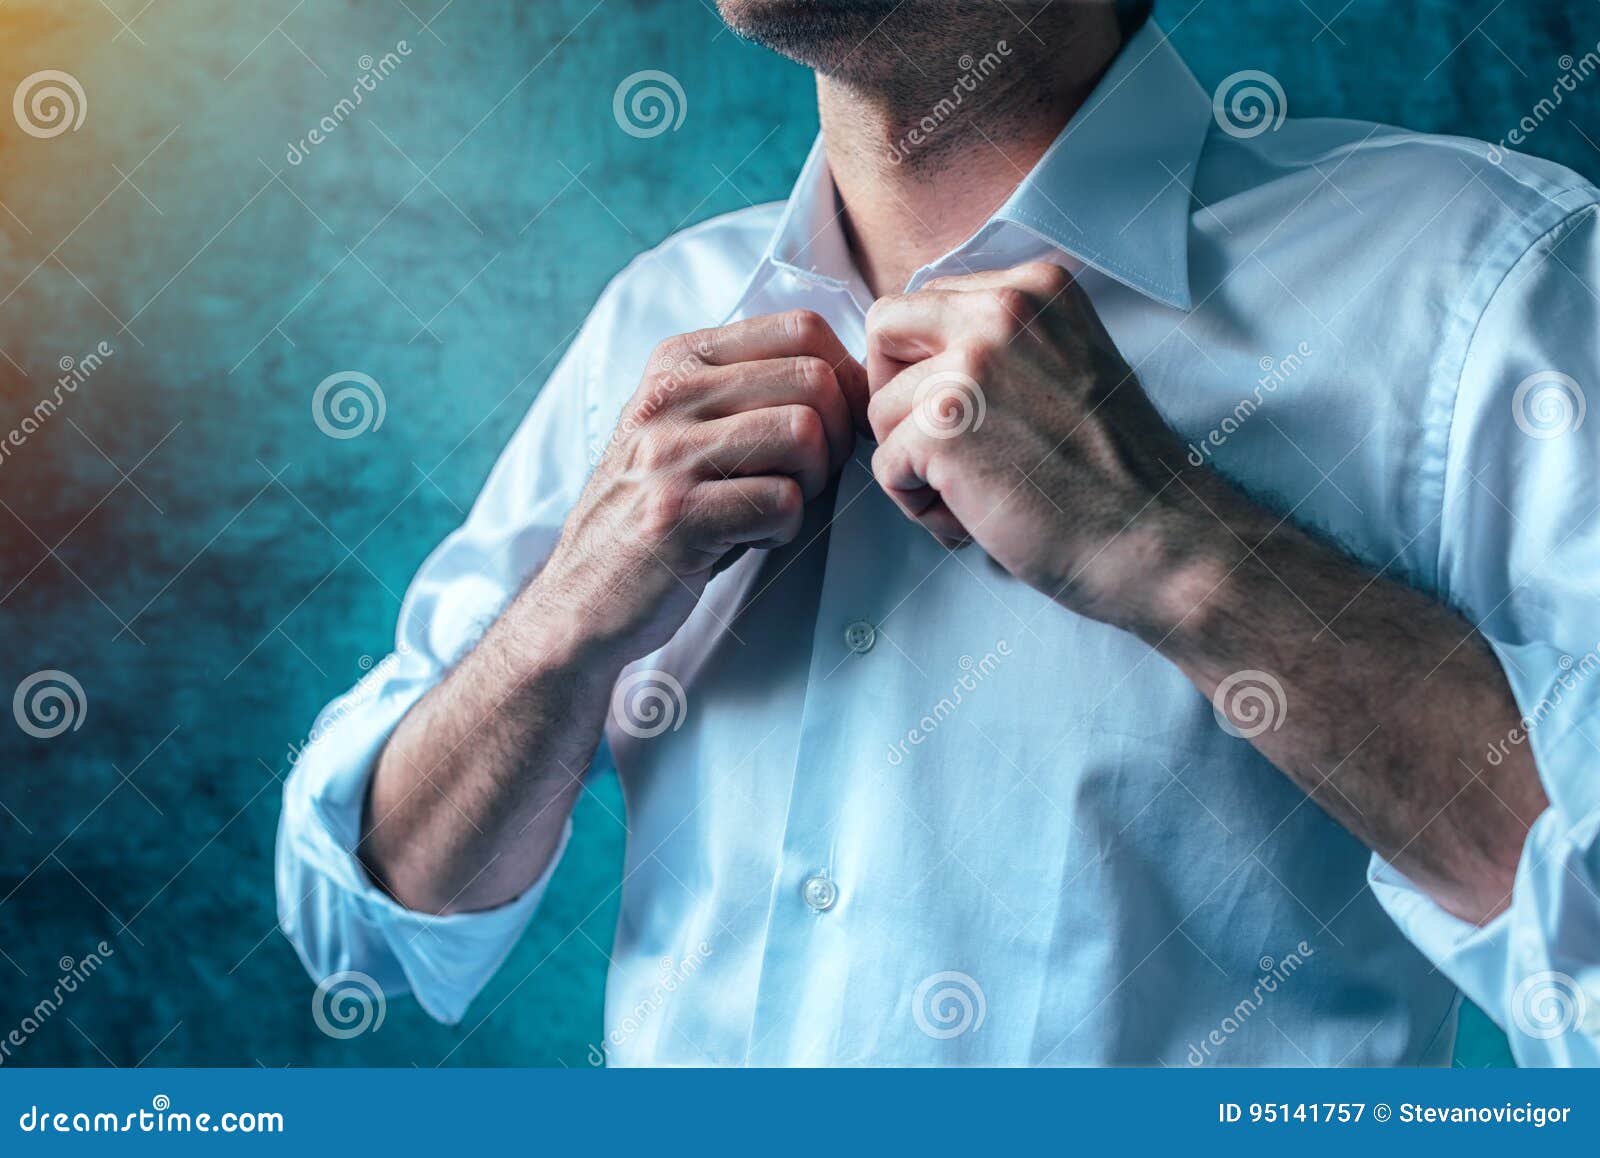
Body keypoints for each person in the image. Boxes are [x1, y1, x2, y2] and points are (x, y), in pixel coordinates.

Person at [276, 0, 1600, 1065]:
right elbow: (374, 915)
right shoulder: (661, 318)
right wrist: (562, 625)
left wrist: (1175, 542)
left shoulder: (1482, 285)